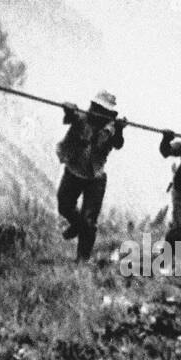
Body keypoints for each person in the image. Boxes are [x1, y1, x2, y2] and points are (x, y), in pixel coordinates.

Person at [56, 91, 126, 261]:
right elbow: (72, 115)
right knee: (64, 206)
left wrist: (120, 129)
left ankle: (82, 260)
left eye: (102, 109)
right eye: (96, 107)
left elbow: (118, 143)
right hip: (74, 171)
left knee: (89, 221)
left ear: (109, 113)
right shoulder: (82, 118)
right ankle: (77, 225)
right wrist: (68, 109)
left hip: (95, 178)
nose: (97, 111)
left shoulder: (111, 129)